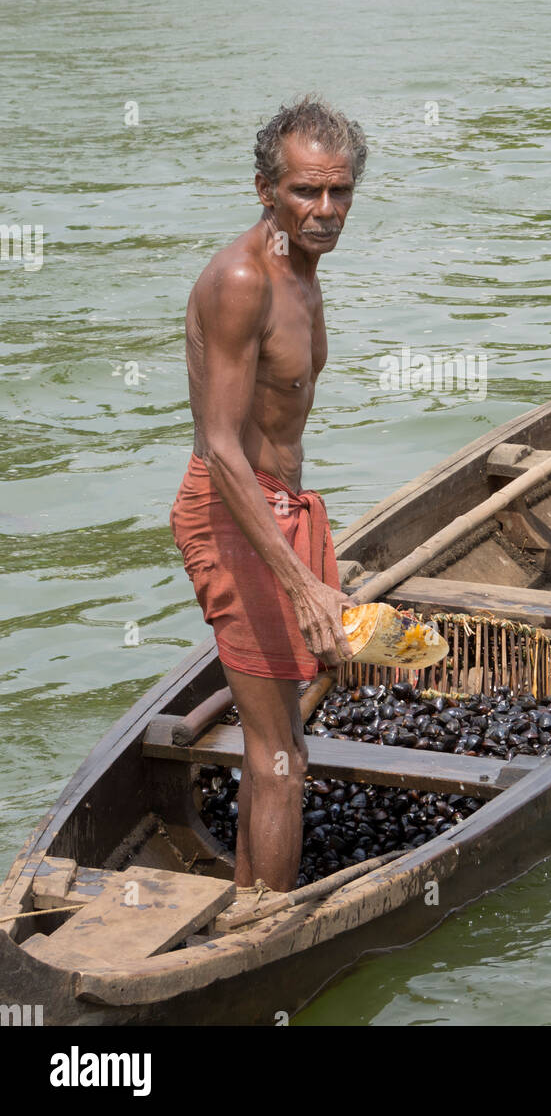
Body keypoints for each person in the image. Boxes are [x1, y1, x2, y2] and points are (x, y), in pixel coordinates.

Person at [170, 96, 366, 892]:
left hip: (277, 511)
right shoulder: (242, 281)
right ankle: (265, 928)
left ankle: (251, 904)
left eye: (339, 193)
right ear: (264, 189)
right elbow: (221, 447)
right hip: (232, 515)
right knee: (281, 756)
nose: (324, 211)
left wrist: (314, 554)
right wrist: (300, 582)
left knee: (281, 742)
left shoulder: (303, 272)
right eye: (304, 193)